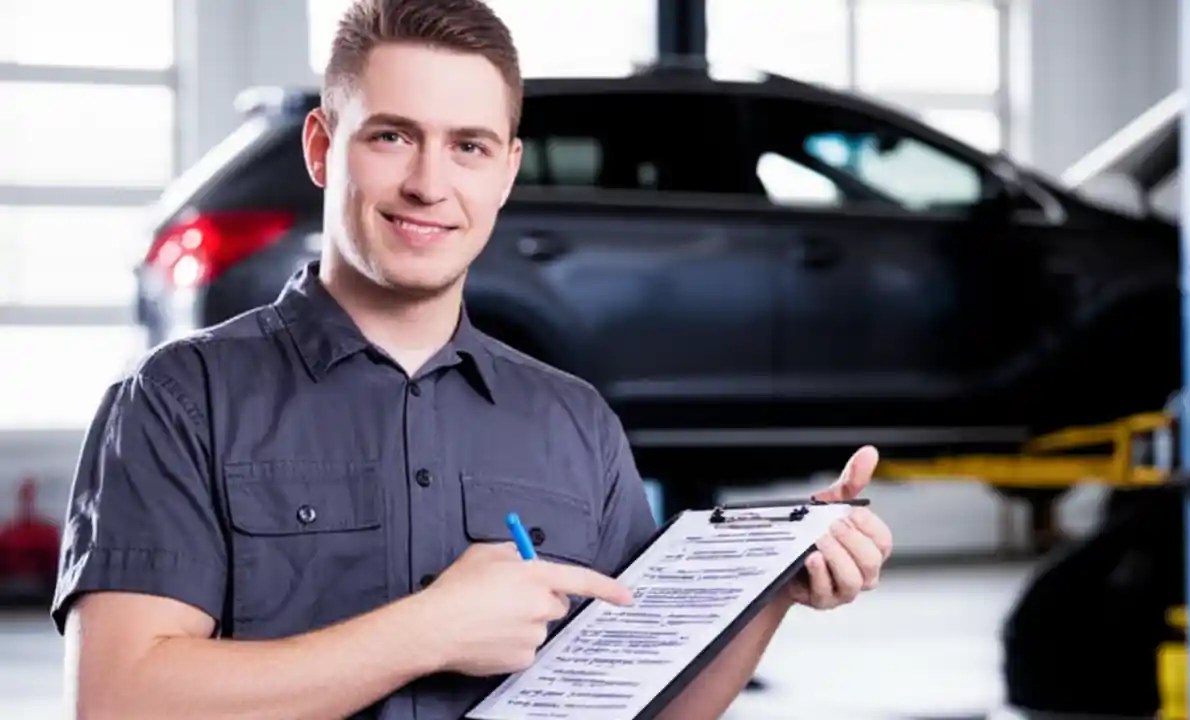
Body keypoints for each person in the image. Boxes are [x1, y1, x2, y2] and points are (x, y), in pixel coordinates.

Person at [52, 1, 894, 718]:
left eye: (469, 146)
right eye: (391, 136)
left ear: (507, 170)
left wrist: (770, 586)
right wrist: (429, 630)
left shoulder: (574, 423)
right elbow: (122, 697)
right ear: (321, 147)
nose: (429, 183)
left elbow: (646, 701)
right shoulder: (176, 401)